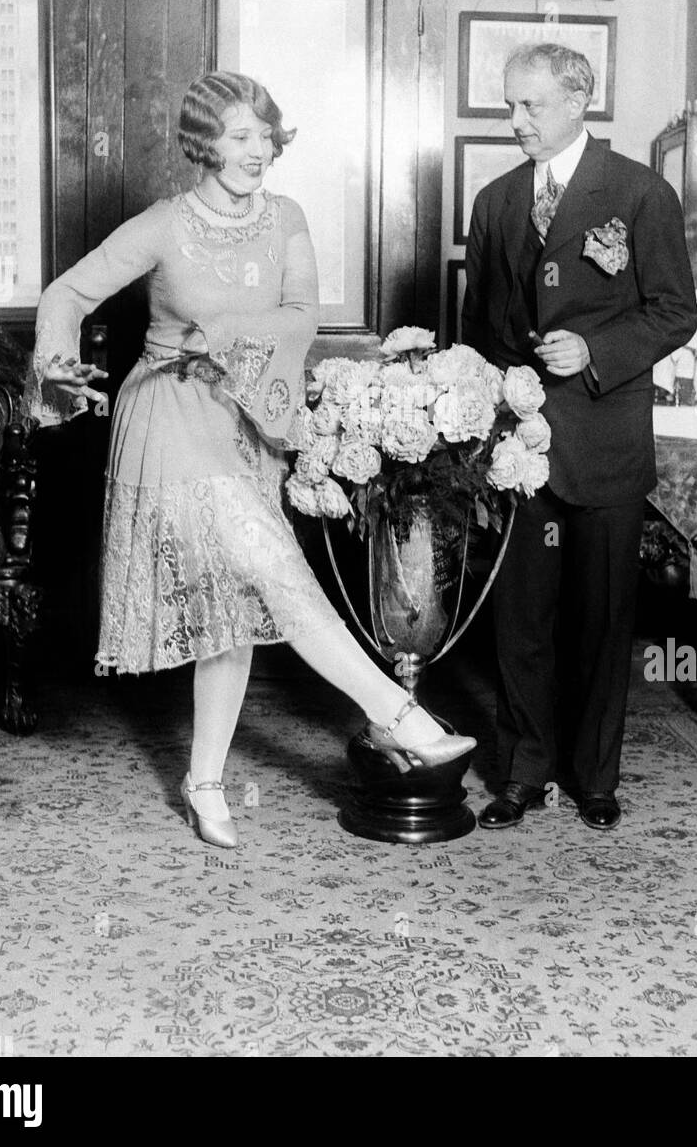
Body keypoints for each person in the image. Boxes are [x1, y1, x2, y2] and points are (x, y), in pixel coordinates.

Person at [23, 71, 475, 848]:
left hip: (248, 419)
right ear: (204, 144)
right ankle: (398, 715)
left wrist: (219, 334)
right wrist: (57, 355)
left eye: (266, 134)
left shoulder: (287, 217)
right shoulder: (164, 225)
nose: (259, 149)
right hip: (169, 417)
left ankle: (204, 785)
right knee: (271, 569)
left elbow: (302, 314)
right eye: (240, 136)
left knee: (233, 612)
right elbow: (67, 292)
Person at [462, 44, 697, 833]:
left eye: (529, 105)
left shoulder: (639, 193)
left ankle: (595, 777)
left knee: (602, 623)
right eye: (510, 105)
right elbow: (481, 332)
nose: (515, 120)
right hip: (521, 451)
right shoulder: (495, 202)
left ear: (578, 100)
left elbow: (675, 313)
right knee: (519, 623)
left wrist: (597, 351)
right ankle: (524, 772)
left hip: (605, 445)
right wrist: (494, 415)